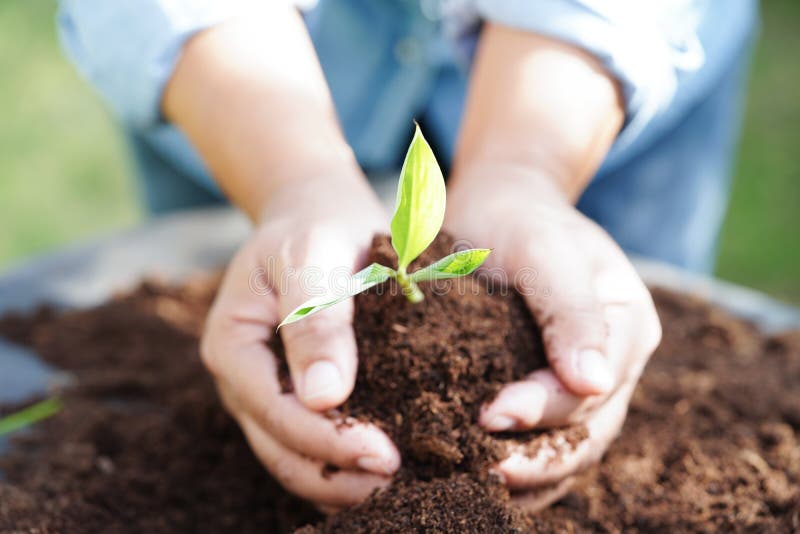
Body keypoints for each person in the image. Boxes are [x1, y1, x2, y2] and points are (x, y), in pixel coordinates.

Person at [57, 0, 758, 512]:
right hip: (237, 70)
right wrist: (292, 181)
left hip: (590, 74)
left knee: (590, 315)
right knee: (250, 320)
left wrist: (525, 169)